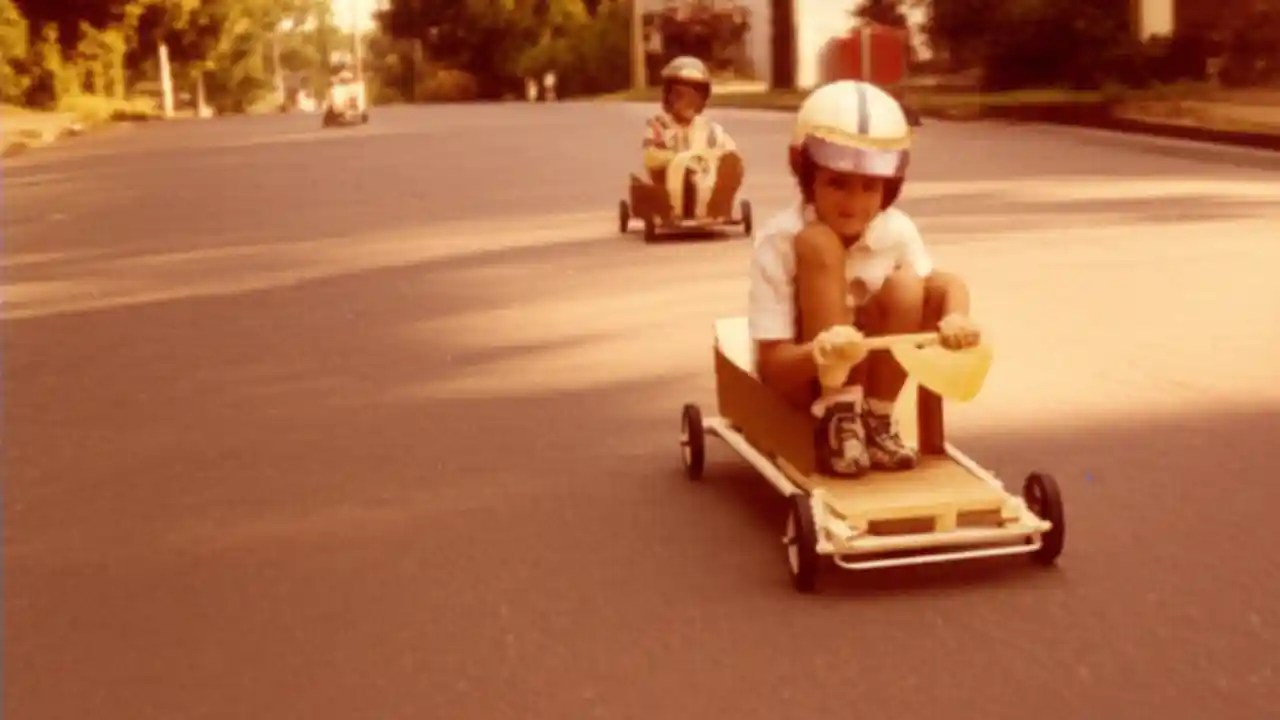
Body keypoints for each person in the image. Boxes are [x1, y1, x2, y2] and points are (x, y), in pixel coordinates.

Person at [747, 80, 982, 478]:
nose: (853, 203)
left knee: (909, 284)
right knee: (819, 243)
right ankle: (837, 416)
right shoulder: (779, 240)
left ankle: (875, 420)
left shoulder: (894, 230)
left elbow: (947, 286)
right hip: (804, 378)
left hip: (871, 375)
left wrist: (957, 317)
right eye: (837, 182)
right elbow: (772, 365)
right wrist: (821, 353)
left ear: (889, 187)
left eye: (869, 186)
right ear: (806, 174)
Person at [635, 56, 742, 224]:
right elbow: (651, 156)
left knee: (726, 165)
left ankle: (716, 206)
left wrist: (722, 157)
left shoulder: (709, 129)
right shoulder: (660, 126)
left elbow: (728, 149)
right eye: (680, 95)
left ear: (702, 99)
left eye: (694, 96)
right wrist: (674, 159)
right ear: (668, 97)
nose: (687, 102)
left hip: (703, 178)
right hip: (670, 180)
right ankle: (670, 210)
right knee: (665, 180)